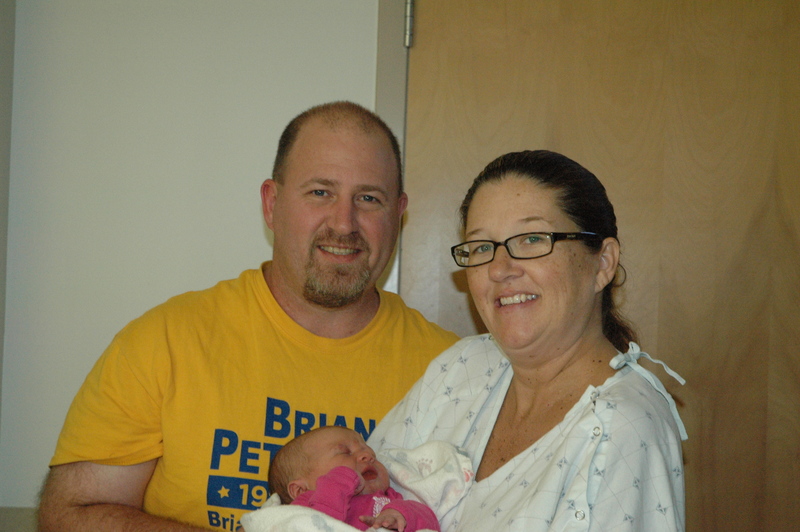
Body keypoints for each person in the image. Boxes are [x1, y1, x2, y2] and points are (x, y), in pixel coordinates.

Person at [37, 101, 459, 532]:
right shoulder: (165, 341)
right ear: (272, 204)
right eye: (320, 192)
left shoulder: (454, 372)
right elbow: (70, 514)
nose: (344, 222)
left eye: (369, 198)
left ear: (398, 214)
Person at [368, 150, 688, 531]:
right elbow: (355, 497)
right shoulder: (460, 369)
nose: (500, 269)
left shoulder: (619, 429)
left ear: (602, 263)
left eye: (533, 239)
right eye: (483, 247)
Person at [263, 426, 439, 531]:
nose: (368, 455)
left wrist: (401, 514)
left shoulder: (391, 499)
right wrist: (339, 482)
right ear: (300, 490)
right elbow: (316, 525)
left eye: (371, 453)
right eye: (345, 452)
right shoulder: (304, 507)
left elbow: (430, 522)